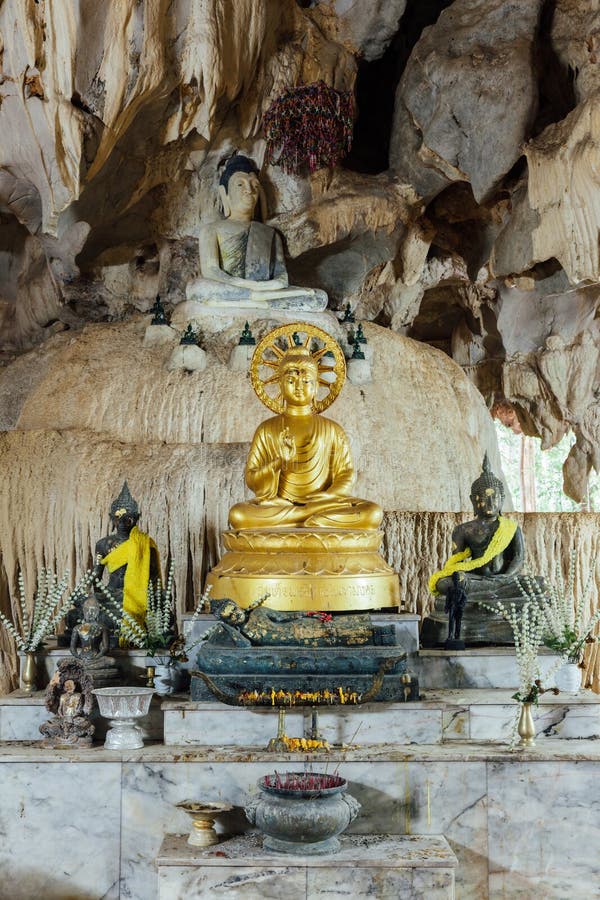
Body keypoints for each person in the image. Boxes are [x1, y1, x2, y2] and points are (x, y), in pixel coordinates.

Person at [228, 341, 382, 530]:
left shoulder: (332, 429)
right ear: (280, 386)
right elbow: (252, 478)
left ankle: (305, 517)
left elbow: (346, 472)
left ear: (316, 387)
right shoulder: (267, 429)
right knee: (238, 514)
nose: (299, 387)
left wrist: (331, 495)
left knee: (372, 512)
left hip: (324, 504)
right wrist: (279, 461)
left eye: (306, 381)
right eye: (291, 381)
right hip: (283, 505)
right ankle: (306, 516)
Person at [185, 154, 327, 310]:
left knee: (319, 297)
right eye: (240, 185)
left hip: (260, 290)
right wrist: (248, 286)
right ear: (224, 193)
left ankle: (252, 300)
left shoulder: (270, 234)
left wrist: (272, 285)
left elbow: (281, 275)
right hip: (234, 287)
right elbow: (211, 271)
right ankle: (256, 299)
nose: (249, 190)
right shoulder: (212, 229)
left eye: (254, 185)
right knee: (197, 287)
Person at [429, 454, 524, 598]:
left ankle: (489, 590)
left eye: (495, 497)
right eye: (485, 498)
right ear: (473, 500)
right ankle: (493, 591)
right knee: (444, 583)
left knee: (540, 584)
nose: (490, 502)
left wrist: (507, 576)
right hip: (476, 578)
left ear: (502, 499)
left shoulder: (511, 528)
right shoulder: (463, 530)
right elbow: (457, 563)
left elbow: (519, 558)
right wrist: (460, 576)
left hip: (503, 579)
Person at [93, 481, 160, 629]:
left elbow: (154, 577)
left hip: (137, 594)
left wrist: (154, 596)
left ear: (136, 518)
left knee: (159, 603)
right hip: (112, 594)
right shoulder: (103, 544)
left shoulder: (146, 544)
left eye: (127, 517)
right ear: (112, 518)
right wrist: (95, 599)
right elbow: (96, 577)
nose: (122, 522)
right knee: (83, 605)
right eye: (118, 517)